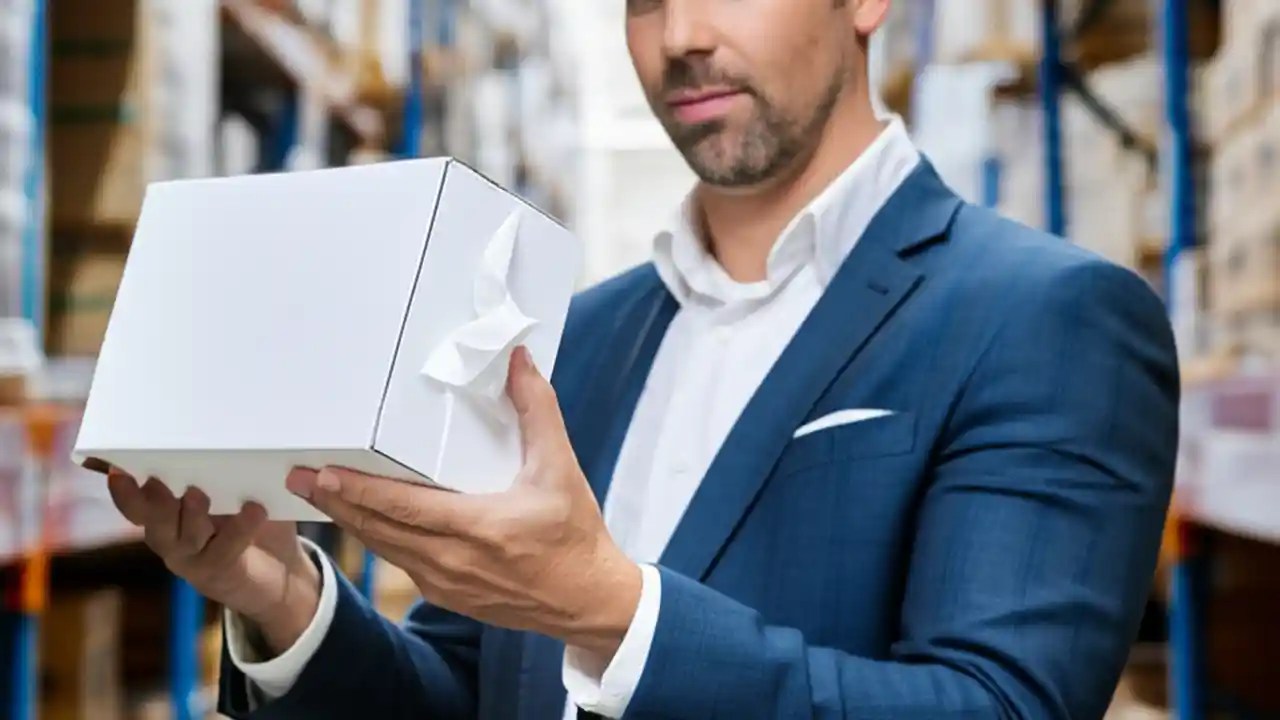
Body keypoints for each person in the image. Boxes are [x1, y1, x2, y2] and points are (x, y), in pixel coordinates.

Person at [90, 0, 1180, 717]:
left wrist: (612, 611)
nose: (681, 37)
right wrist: (284, 603)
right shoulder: (579, 339)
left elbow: (998, 707)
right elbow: (466, 693)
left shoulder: (1048, 319)